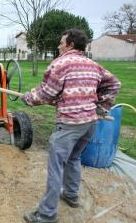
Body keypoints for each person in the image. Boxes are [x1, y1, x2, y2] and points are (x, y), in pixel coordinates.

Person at [21, 29, 121, 223]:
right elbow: (114, 84)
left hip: (69, 124)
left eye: (61, 43)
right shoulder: (93, 65)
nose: (59, 46)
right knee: (74, 158)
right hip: (90, 123)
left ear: (70, 45)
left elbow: (45, 94)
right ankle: (71, 195)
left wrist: (28, 98)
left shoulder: (60, 64)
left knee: (56, 166)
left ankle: (47, 214)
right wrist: (100, 105)